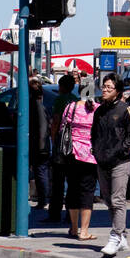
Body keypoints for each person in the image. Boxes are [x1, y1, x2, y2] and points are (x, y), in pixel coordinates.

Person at [91, 75, 130, 258]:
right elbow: (94, 135)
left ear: (117, 90)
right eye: (104, 86)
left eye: (110, 87)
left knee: (118, 200)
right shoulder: (99, 111)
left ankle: (115, 236)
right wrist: (97, 152)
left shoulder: (126, 110)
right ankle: (122, 234)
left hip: (120, 162)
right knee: (108, 201)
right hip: (102, 162)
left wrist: (119, 152)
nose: (105, 89)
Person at [60, 81, 98, 240]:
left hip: (72, 153)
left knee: (73, 190)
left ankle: (74, 228)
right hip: (90, 155)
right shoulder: (97, 109)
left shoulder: (71, 107)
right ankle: (84, 231)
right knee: (87, 192)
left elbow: (63, 127)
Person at [47, 73, 78, 224]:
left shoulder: (59, 100)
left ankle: (55, 213)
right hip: (74, 144)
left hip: (61, 144)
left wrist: (53, 139)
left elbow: (56, 122)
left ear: (62, 87)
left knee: (58, 181)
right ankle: (70, 214)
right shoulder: (76, 100)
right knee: (72, 181)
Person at [29, 79, 51, 213]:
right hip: (39, 144)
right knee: (39, 172)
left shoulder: (36, 106)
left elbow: (42, 127)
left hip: (39, 145)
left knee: (40, 172)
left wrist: (42, 147)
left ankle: (43, 199)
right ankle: (43, 199)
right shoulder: (37, 105)